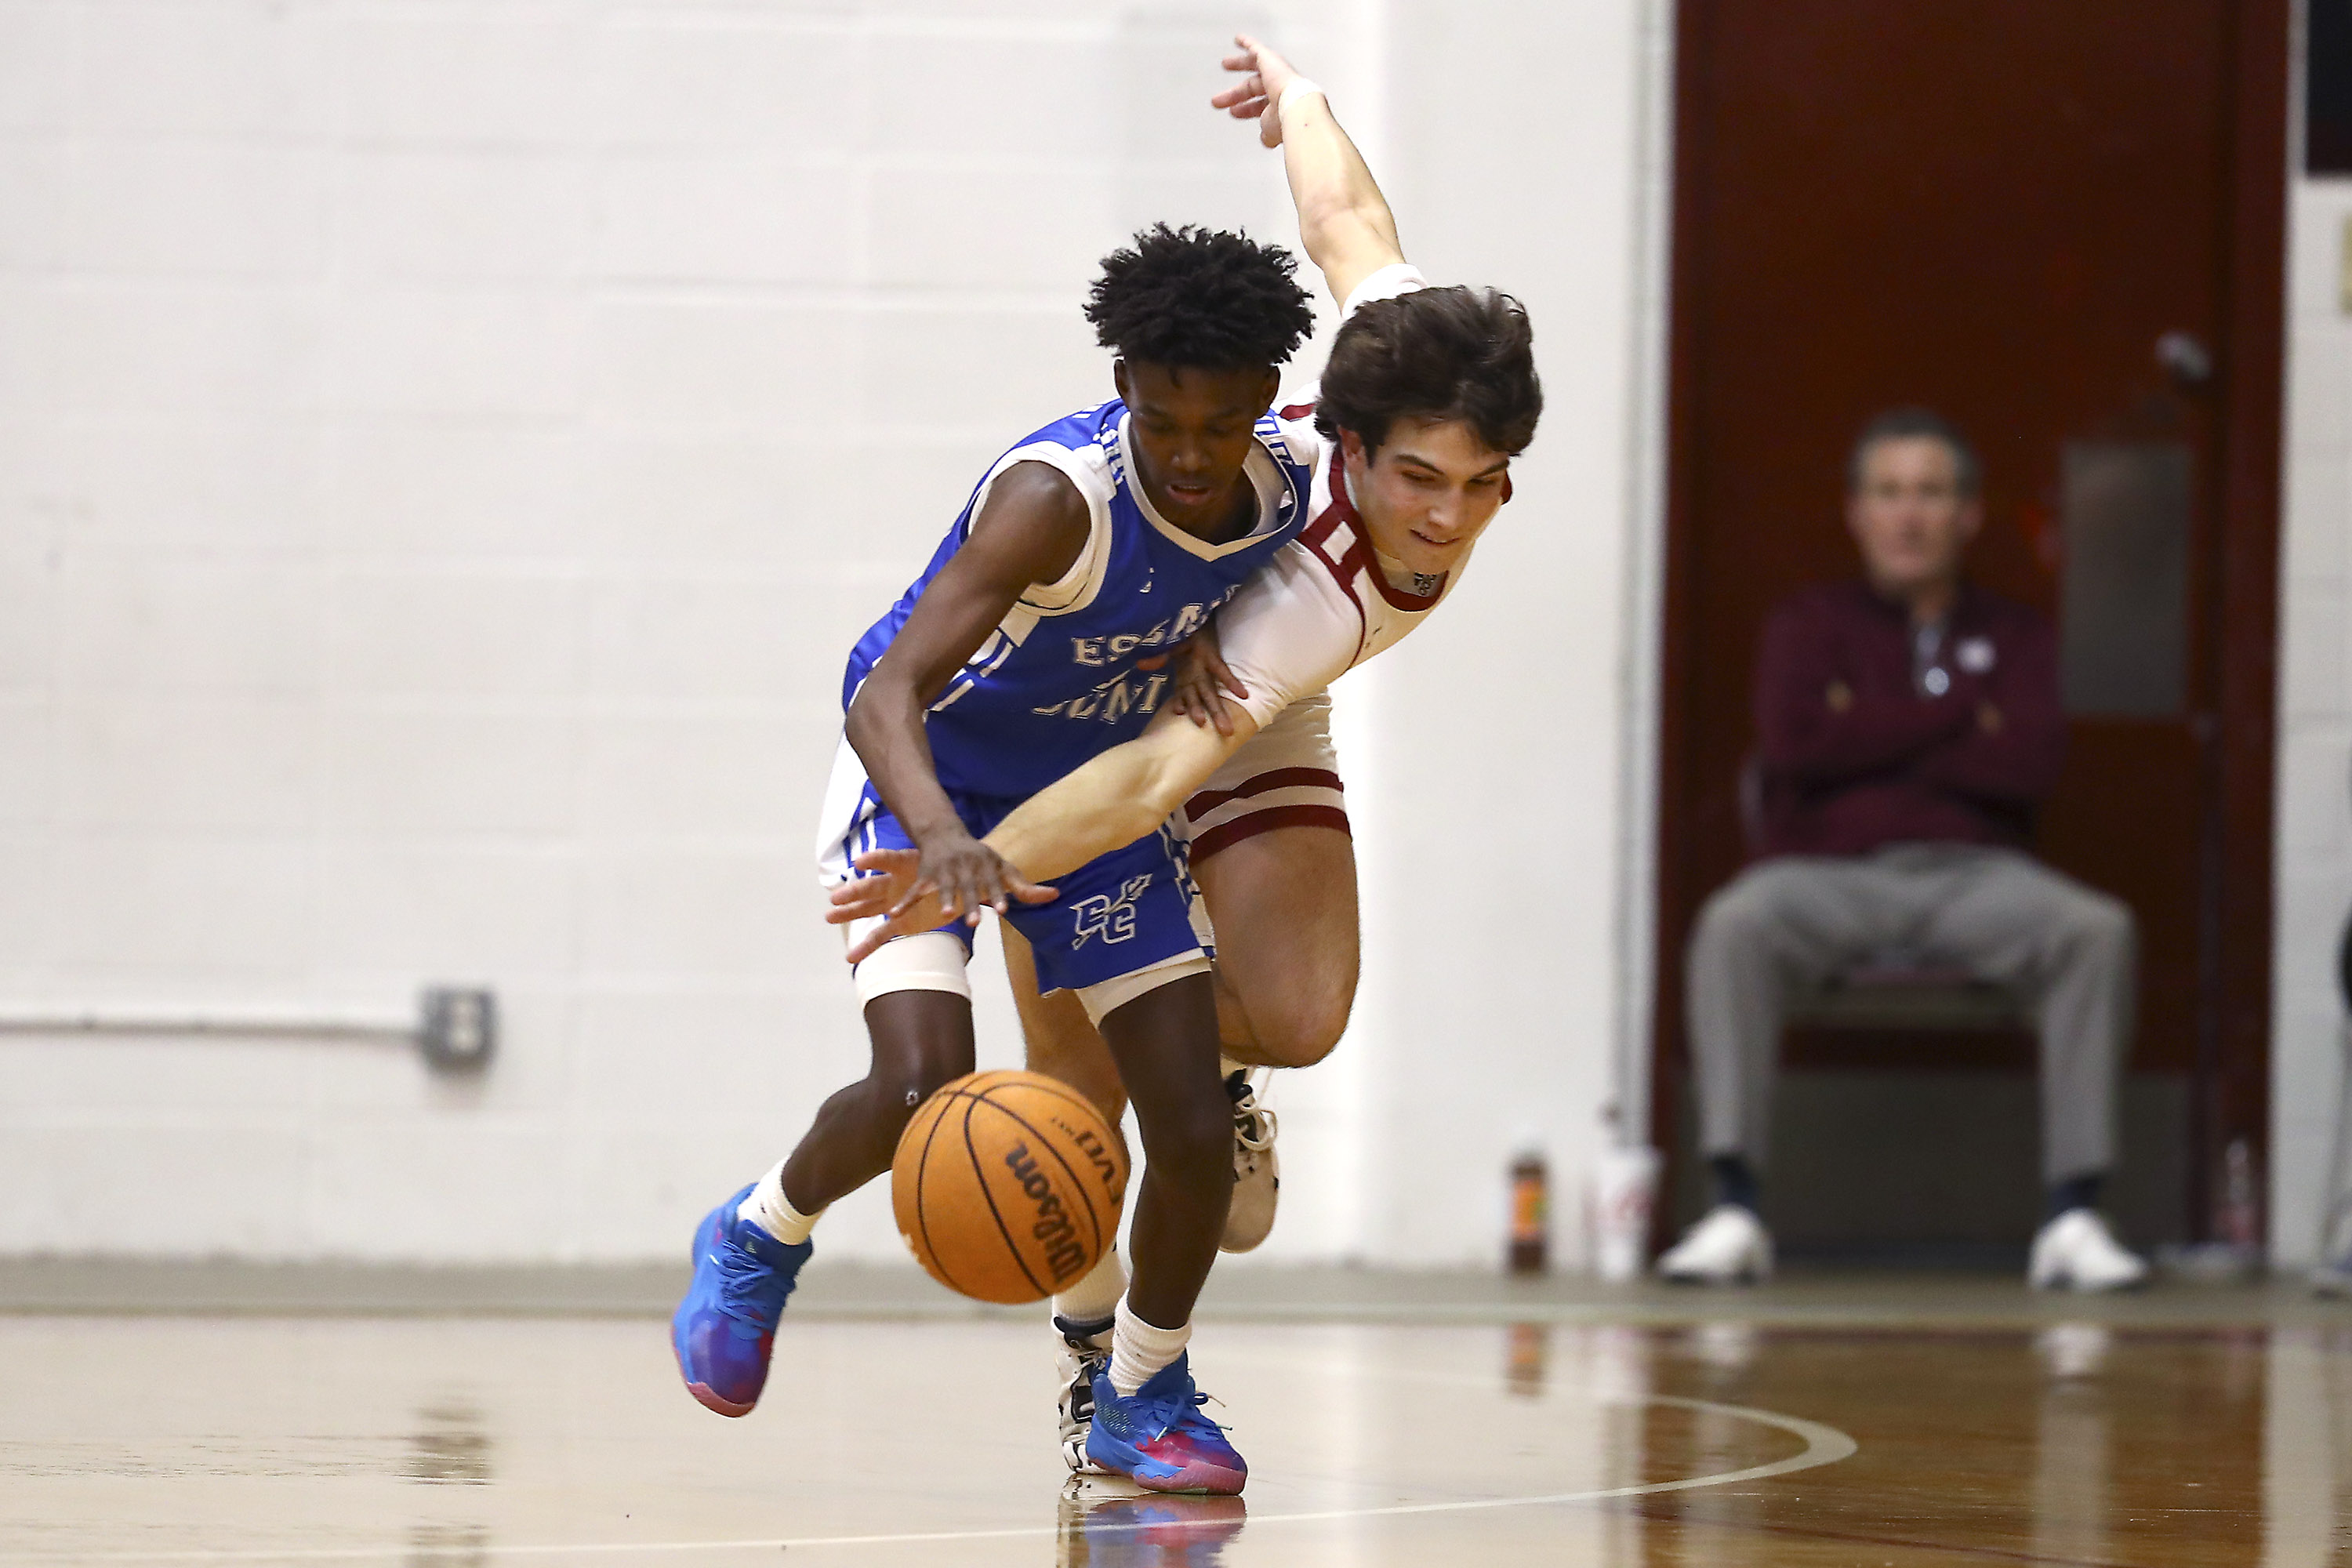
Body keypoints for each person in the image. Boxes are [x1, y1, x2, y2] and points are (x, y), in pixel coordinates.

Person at [828, 36, 1545, 1469]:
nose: (1448, 516)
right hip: (1155, 698)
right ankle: (1106, 1369)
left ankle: (1208, 1082)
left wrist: (1301, 102)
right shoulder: (1314, 585)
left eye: (1481, 486)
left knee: (1301, 1017)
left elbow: (1352, 231)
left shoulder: (1416, 355)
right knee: (1063, 1081)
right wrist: (959, 873)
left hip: (1266, 700)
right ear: (1352, 436)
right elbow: (1153, 772)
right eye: (1416, 479)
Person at [671, 219, 1327, 1497]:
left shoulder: (1284, 486)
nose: (1192, 457)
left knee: (1192, 1122)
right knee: (926, 1077)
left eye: (1221, 425)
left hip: (1090, 802)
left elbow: (1269, 581)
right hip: (922, 780)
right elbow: (884, 691)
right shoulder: (1054, 499)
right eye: (1165, 422)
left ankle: (1144, 1391)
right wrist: (949, 843)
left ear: (1263, 403)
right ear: (1123, 383)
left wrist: (1217, 640)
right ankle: (758, 1236)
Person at [1654, 408, 2149, 1292]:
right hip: (1828, 875)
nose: (1909, 514)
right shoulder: (1807, 624)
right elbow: (1795, 745)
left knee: (2095, 929)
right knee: (1733, 923)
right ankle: (1734, 1206)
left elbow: (2032, 762)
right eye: (1888, 493)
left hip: (1976, 878)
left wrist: (1863, 723)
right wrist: (1962, 713)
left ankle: (2076, 1213)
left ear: (1968, 514)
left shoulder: (2020, 632)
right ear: (1858, 512)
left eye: (1930, 493)